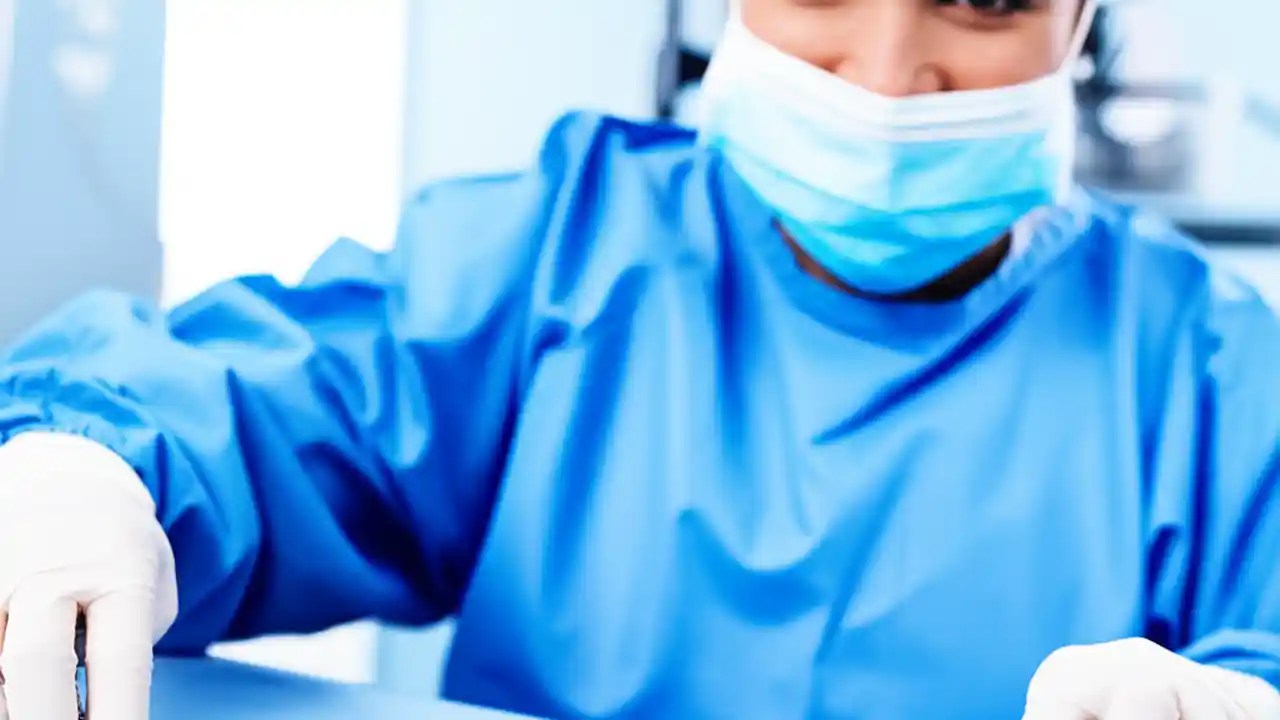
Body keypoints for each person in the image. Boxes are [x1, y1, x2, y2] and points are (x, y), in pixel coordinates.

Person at [0, 0, 1277, 717]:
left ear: (1085, 18)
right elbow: (267, 410)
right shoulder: (563, 259)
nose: (888, 77)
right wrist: (86, 454)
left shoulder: (1206, 373)